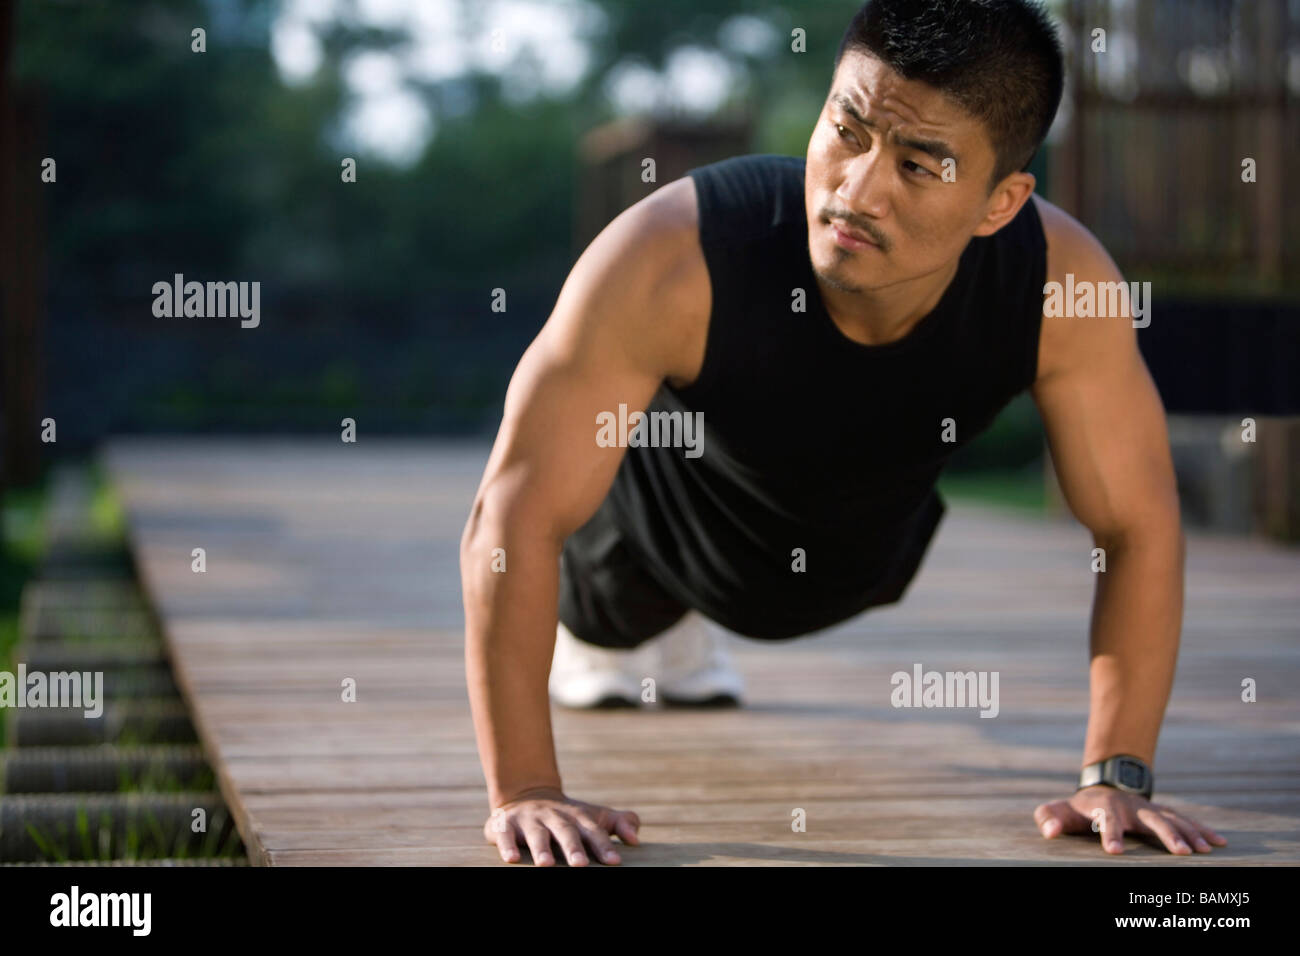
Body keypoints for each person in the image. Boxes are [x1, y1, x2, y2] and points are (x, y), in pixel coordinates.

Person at [460, 0, 1228, 866]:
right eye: (848, 130)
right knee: (598, 555)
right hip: (650, 536)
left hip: (854, 553)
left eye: (920, 164)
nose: (857, 193)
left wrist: (1116, 774)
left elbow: (1136, 525)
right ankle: (626, 636)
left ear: (1001, 202)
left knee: (829, 543)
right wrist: (524, 790)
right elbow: (511, 518)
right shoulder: (673, 253)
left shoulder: (1064, 287)